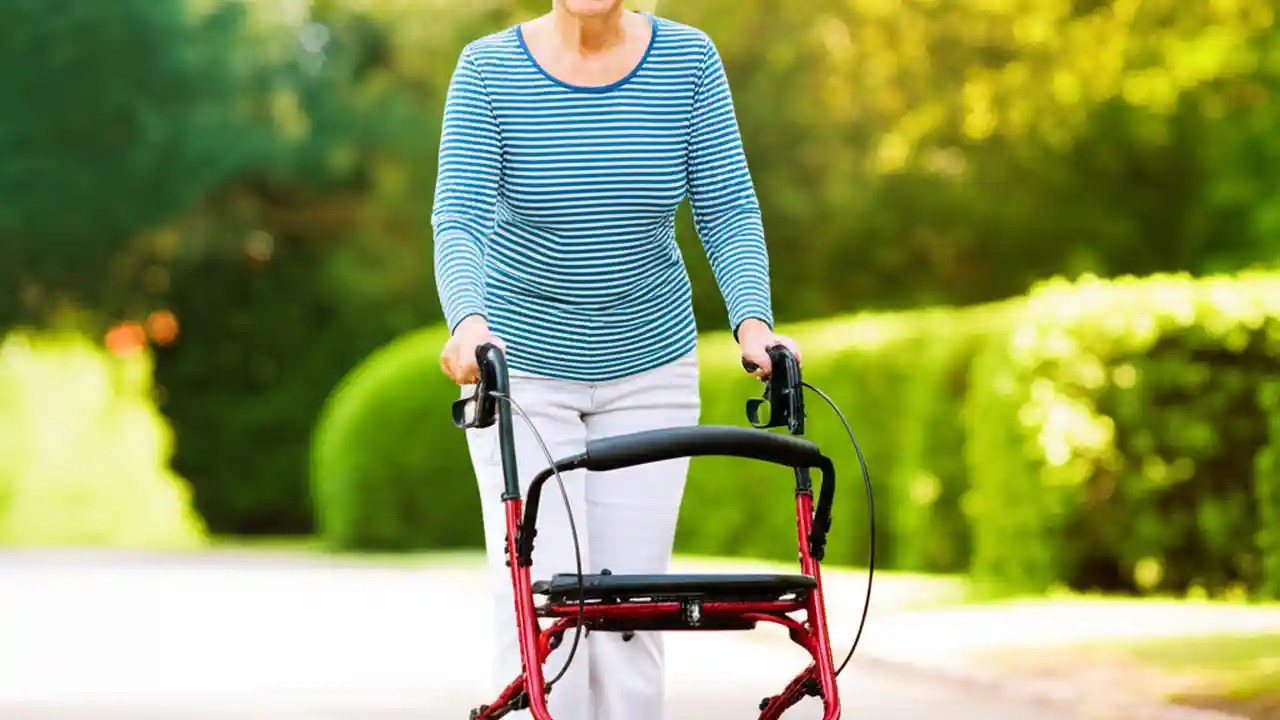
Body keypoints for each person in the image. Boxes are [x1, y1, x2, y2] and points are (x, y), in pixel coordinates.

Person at [430, 1, 800, 717]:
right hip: (525, 370)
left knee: (633, 611)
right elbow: (462, 215)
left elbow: (726, 204)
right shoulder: (488, 70)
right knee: (547, 610)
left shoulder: (688, 62)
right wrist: (469, 323)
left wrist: (754, 325)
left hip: (651, 365)